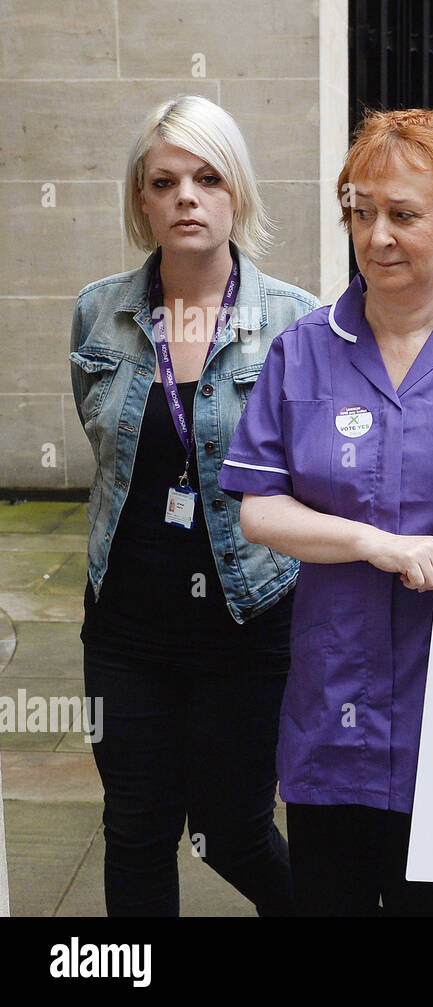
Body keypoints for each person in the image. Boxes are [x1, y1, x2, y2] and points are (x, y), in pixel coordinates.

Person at [219, 108, 433, 916]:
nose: (376, 236)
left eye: (403, 215)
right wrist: (376, 542)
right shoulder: (303, 349)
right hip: (335, 718)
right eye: (360, 210)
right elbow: (259, 513)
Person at [69, 95, 319, 915]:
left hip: (246, 625)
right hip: (125, 625)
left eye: (208, 178)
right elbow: (106, 446)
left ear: (236, 192)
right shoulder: (97, 310)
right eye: (164, 180)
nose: (187, 196)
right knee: (136, 827)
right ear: (140, 200)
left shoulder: (296, 323)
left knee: (234, 826)